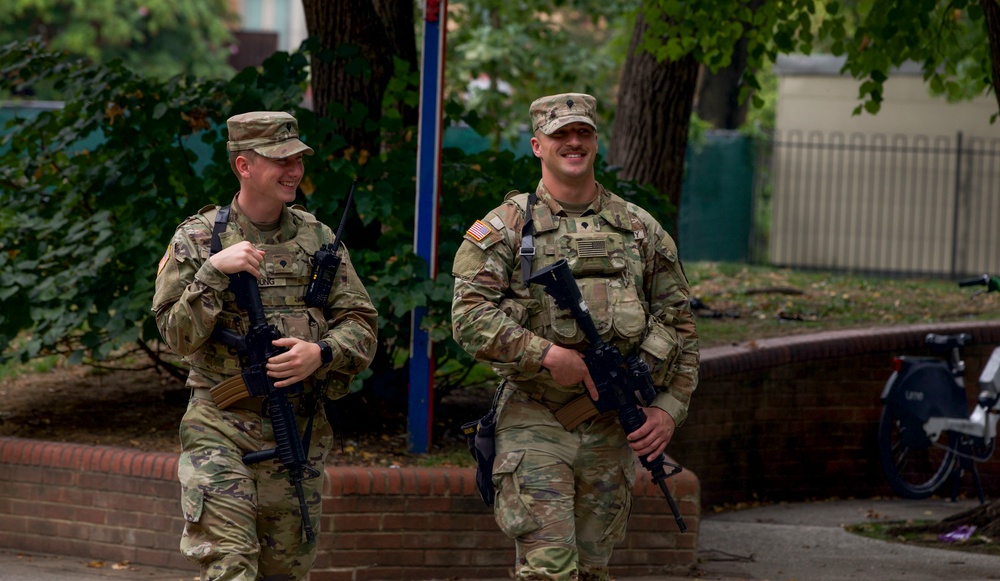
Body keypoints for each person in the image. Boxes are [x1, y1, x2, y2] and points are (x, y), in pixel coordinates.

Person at [450, 93, 699, 580]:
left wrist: (668, 410)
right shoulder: (505, 229)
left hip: (611, 429)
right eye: (561, 134)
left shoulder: (639, 229)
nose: (573, 142)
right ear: (537, 145)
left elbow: (681, 323)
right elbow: (467, 317)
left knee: (592, 570)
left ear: (595, 142)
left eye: (582, 132)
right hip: (535, 418)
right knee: (550, 570)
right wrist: (545, 354)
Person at [152, 111, 378, 580]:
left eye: (298, 158)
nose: (294, 170)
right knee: (230, 566)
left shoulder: (319, 240)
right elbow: (176, 335)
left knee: (283, 572)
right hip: (220, 425)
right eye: (280, 159)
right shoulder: (197, 239)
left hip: (296, 431)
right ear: (244, 166)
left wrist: (323, 353)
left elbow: (361, 325)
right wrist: (214, 271)